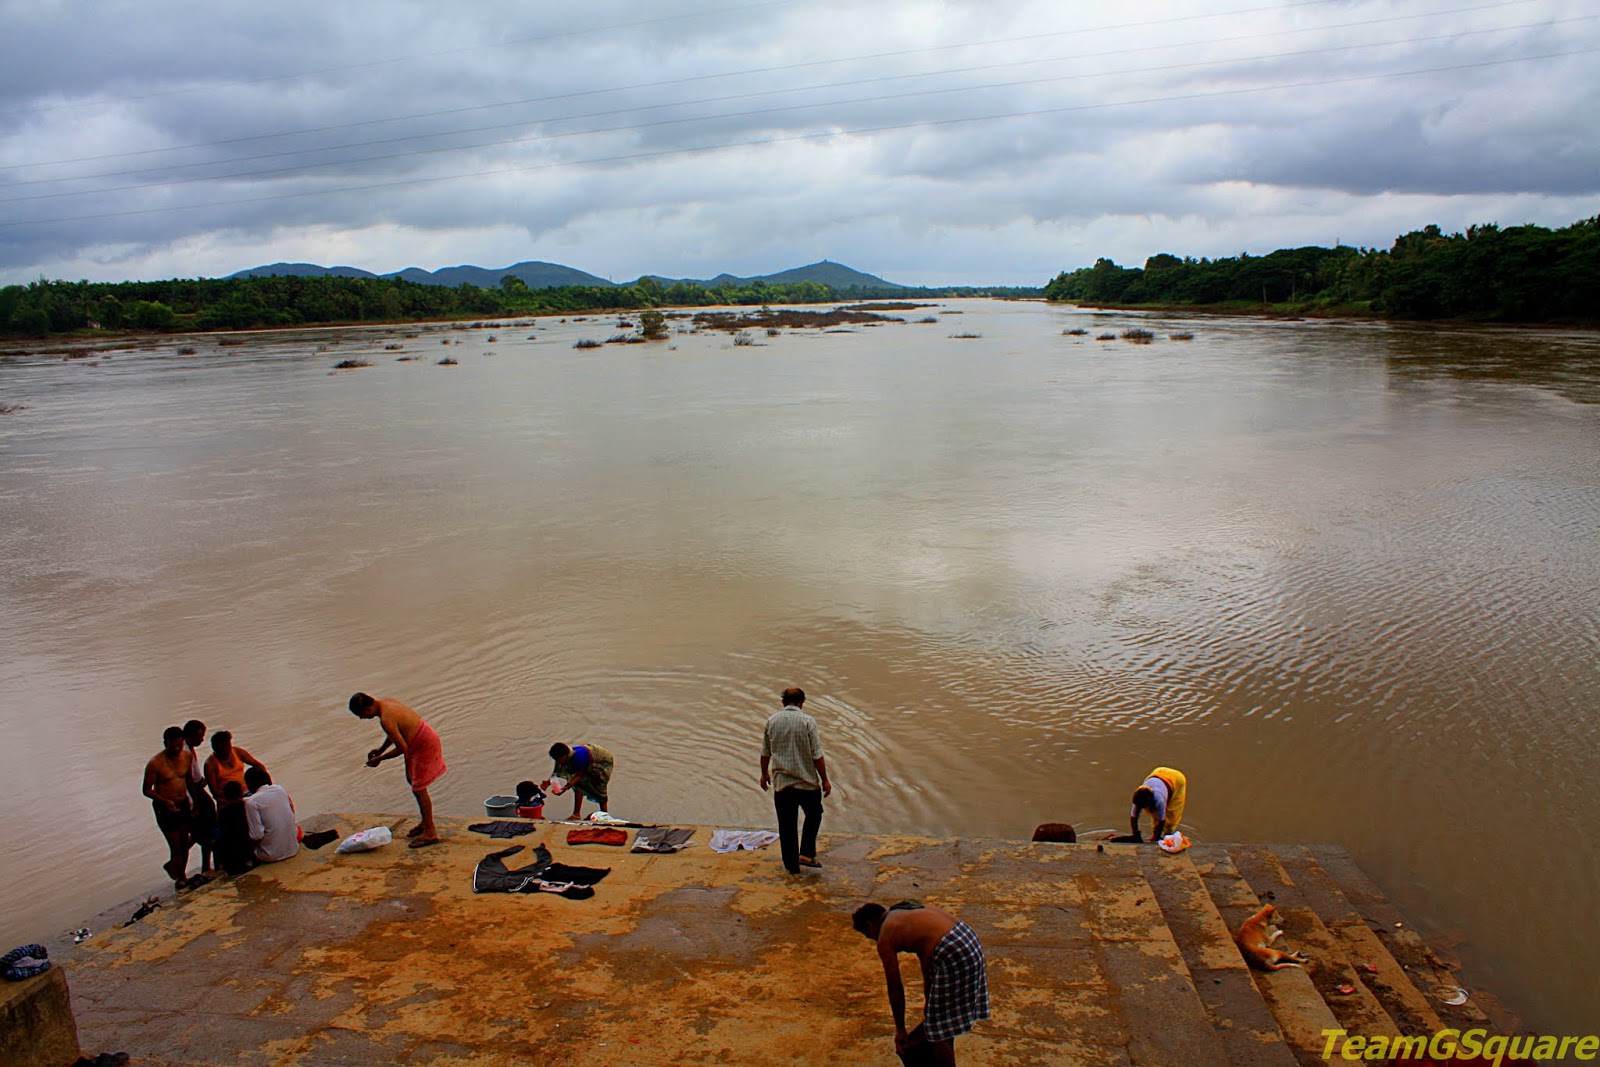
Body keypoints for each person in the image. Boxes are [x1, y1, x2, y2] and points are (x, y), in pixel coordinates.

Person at [853, 901, 989, 1066]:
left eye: (869, 936)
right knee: (939, 1019)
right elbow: (927, 959)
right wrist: (929, 1001)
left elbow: (895, 987)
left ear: (870, 925)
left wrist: (900, 1030)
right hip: (968, 939)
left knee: (937, 1030)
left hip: (953, 951)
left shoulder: (885, 935)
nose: (875, 940)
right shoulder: (903, 910)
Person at [349, 692, 448, 847]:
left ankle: (430, 832)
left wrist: (378, 759)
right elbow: (395, 732)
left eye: (361, 715)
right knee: (412, 781)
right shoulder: (386, 702)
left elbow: (402, 747)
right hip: (418, 740)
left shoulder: (385, 719)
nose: (363, 719)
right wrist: (380, 750)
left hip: (423, 744)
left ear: (367, 710)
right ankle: (425, 822)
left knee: (419, 788)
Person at [759, 686, 831, 875]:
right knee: (814, 815)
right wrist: (825, 780)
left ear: (783, 702)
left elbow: (765, 752)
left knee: (786, 824)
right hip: (807, 782)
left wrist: (764, 774)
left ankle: (792, 865)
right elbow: (817, 755)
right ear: (802, 702)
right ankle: (806, 853)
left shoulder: (772, 721)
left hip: (782, 784)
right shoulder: (808, 722)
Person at [142, 726, 195, 889]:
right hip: (165, 807)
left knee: (185, 841)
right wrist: (165, 801)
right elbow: (146, 790)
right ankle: (181, 877)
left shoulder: (187, 756)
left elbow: (189, 781)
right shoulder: (155, 764)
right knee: (175, 845)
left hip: (183, 803)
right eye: (173, 746)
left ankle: (179, 870)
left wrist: (196, 801)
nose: (177, 749)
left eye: (179, 745)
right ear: (166, 743)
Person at [543, 742, 614, 820]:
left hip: (601, 762)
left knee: (600, 787)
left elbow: (579, 775)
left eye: (558, 759)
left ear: (564, 756)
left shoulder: (577, 758)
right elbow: (557, 771)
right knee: (578, 785)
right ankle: (576, 814)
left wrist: (566, 787)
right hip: (587, 759)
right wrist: (548, 782)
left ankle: (605, 815)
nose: (558, 762)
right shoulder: (564, 756)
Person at [182, 720, 217, 877]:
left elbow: (193, 775)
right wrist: (194, 802)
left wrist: (200, 780)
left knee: (207, 828)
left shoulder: (189, 748)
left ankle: (205, 865)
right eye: (200, 736)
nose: (202, 740)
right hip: (192, 794)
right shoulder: (184, 751)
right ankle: (179, 864)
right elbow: (186, 779)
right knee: (202, 831)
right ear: (190, 736)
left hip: (197, 790)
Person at [242, 767, 299, 863]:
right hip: (293, 848)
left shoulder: (251, 803)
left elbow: (257, 835)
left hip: (270, 855)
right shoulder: (279, 789)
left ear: (249, 784)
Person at [203, 730, 267, 801]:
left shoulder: (238, 752)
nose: (227, 750)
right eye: (224, 747)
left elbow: (260, 766)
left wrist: (265, 785)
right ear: (215, 748)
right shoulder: (210, 764)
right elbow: (215, 792)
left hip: (247, 791)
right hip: (229, 798)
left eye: (228, 746)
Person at [1129, 766, 1187, 843]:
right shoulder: (1138, 796)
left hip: (1177, 779)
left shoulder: (1158, 799)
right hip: (1159, 772)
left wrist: (1156, 838)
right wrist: (1135, 834)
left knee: (1171, 815)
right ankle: (1157, 835)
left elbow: (1161, 820)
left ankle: (1168, 835)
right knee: (1154, 814)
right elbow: (1133, 817)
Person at [215, 780, 256, 876]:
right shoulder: (247, 806)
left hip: (232, 858)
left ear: (225, 796)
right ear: (241, 793)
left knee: (217, 837)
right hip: (249, 851)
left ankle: (220, 866)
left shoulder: (222, 812)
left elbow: (220, 835)